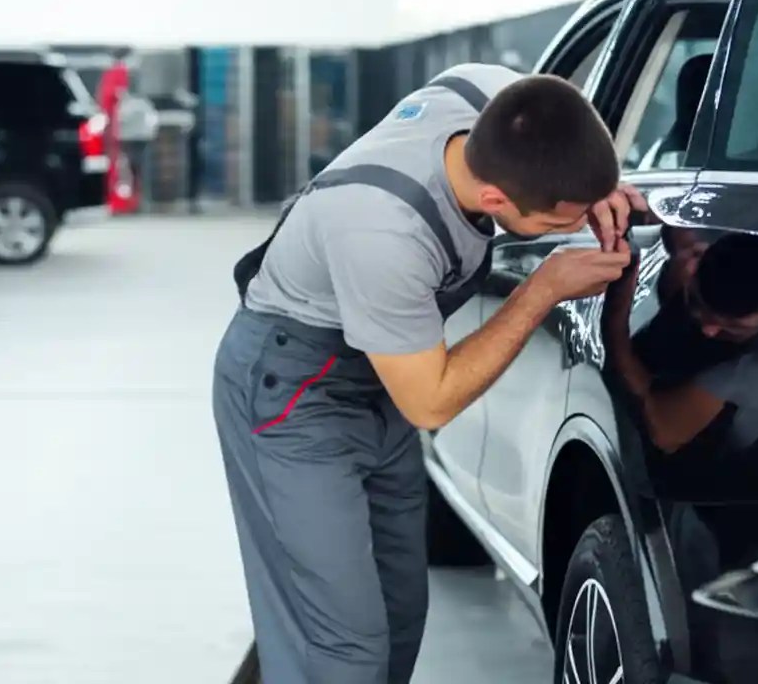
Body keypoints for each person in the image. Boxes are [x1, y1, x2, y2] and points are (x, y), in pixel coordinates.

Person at [213, 63, 645, 684]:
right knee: (341, 646)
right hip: (292, 393)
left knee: (394, 616)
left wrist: (594, 185)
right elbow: (432, 403)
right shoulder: (382, 231)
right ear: (495, 201)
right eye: (558, 224)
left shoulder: (482, 92)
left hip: (377, 379)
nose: (574, 230)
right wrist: (543, 289)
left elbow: (557, 121)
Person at [605, 232, 758, 454]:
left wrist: (615, 322)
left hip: (719, 458)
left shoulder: (747, 366)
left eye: (730, 326)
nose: (709, 330)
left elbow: (663, 433)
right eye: (695, 302)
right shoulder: (725, 251)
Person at [116, 88, 159, 200]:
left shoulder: (127, 104)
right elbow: (152, 120)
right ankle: (139, 193)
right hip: (141, 137)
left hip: (129, 138)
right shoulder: (144, 103)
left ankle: (133, 193)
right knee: (138, 166)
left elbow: (121, 118)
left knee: (130, 165)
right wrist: (151, 133)